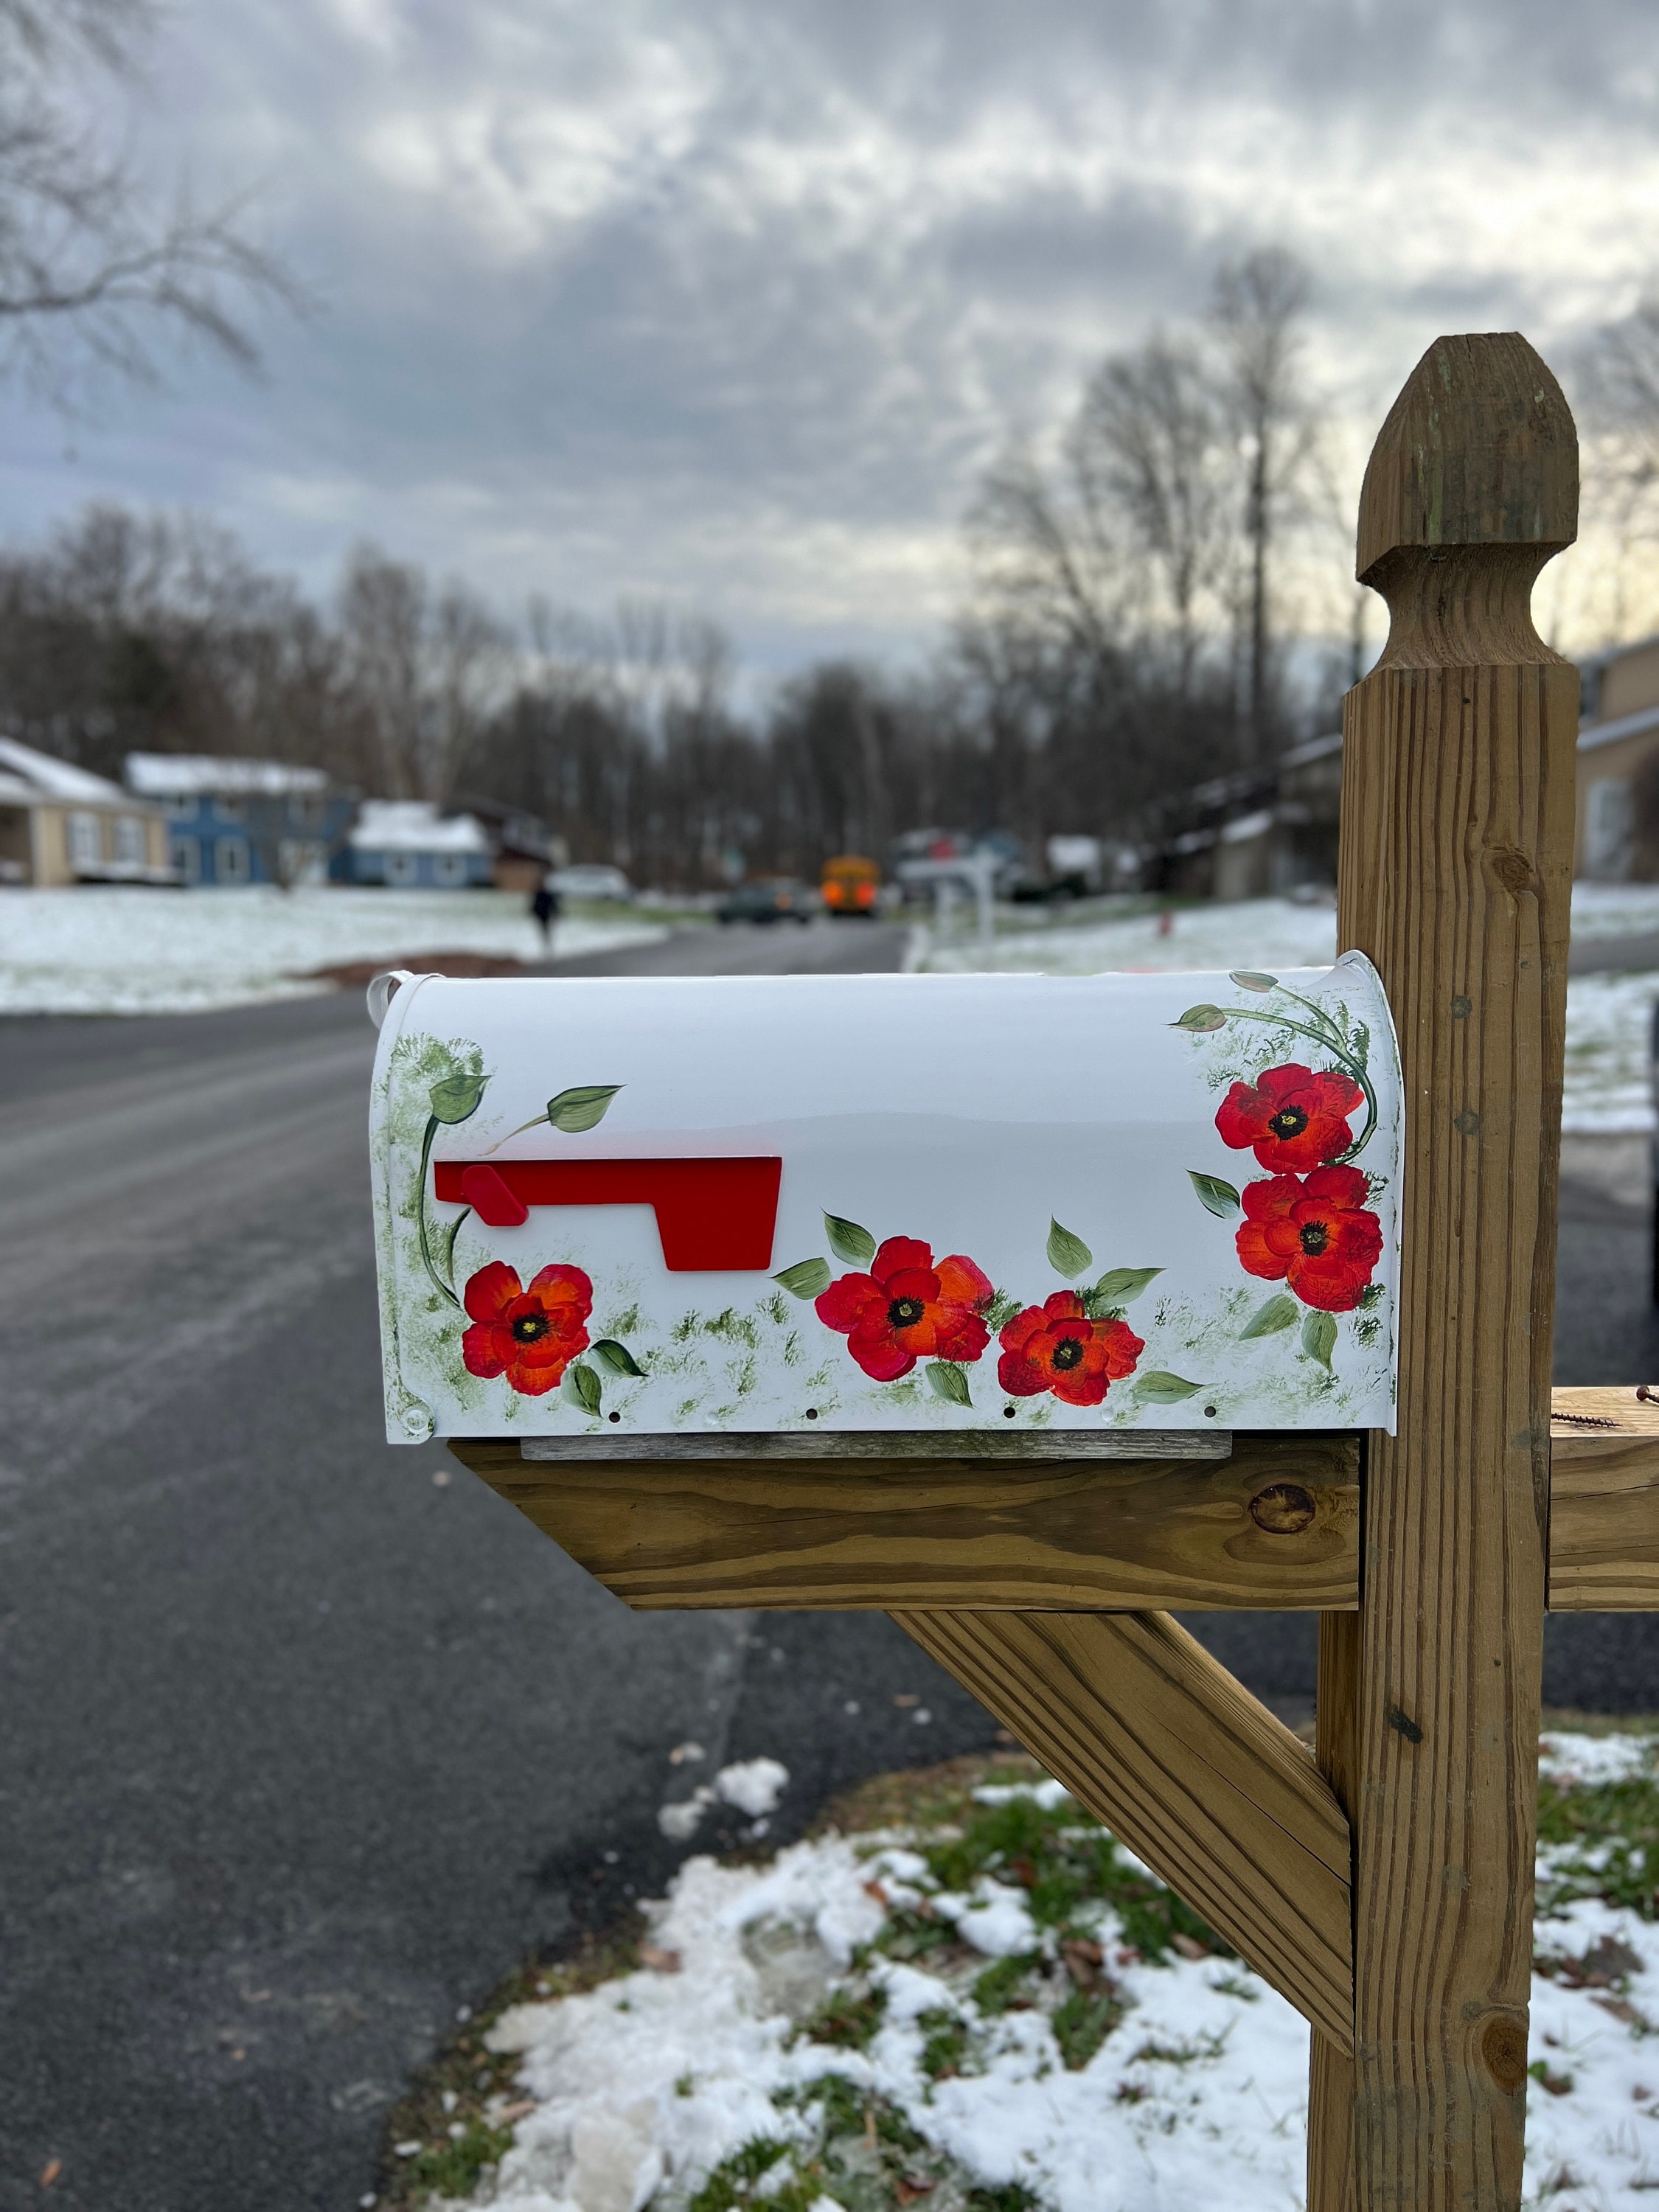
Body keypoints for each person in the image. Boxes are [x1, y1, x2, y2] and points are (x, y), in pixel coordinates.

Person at [530, 872, 562, 954]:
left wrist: (556, 912)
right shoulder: (538, 895)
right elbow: (535, 905)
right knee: (544, 930)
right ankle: (546, 945)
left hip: (545, 914)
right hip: (541, 914)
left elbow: (552, 905)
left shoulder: (546, 895)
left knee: (546, 930)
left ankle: (548, 945)